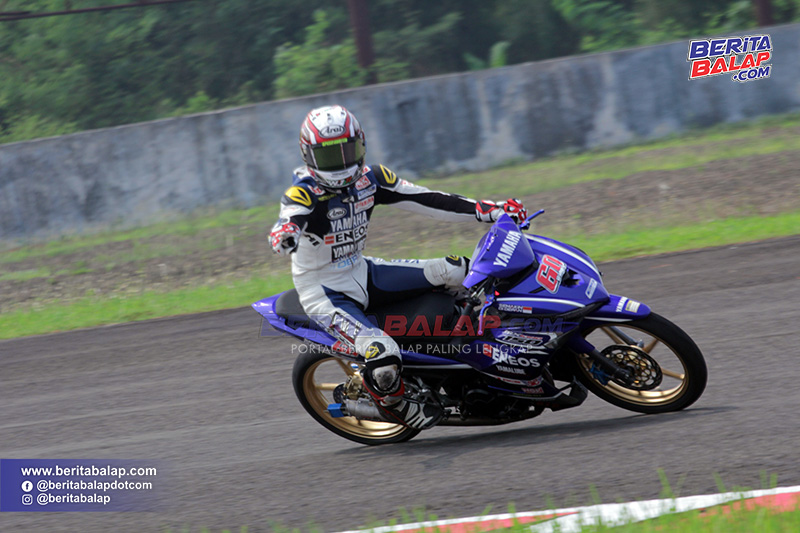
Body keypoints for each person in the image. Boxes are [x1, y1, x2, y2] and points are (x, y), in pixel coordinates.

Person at [270, 105, 527, 429]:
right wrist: (284, 234)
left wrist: (489, 210)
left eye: (347, 151)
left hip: (361, 270)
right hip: (324, 292)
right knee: (383, 355)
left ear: (360, 145)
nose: (341, 164)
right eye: (330, 157)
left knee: (460, 269)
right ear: (309, 156)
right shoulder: (303, 193)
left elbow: (429, 199)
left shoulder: (372, 179)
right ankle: (395, 407)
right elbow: (288, 220)